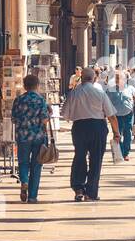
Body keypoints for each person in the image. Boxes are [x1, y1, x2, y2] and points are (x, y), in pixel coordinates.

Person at [62, 67, 121, 201]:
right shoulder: (99, 93)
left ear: (81, 78)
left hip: (79, 127)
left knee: (79, 156)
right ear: (94, 78)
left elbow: (65, 114)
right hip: (97, 127)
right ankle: (91, 192)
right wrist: (116, 133)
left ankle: (78, 189)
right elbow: (111, 115)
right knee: (96, 159)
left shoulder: (74, 93)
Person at [10, 74, 52, 203]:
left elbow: (13, 119)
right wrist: (49, 114)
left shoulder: (18, 100)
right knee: (36, 165)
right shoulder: (41, 100)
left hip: (22, 136)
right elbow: (44, 120)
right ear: (37, 85)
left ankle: (24, 181)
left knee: (23, 162)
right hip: (38, 137)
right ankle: (32, 196)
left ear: (24, 86)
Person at [104, 70, 135, 161]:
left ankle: (126, 153)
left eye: (120, 78)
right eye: (117, 78)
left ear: (125, 79)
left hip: (128, 114)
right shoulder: (110, 89)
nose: (118, 80)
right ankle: (120, 153)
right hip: (116, 116)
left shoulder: (130, 88)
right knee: (117, 134)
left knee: (128, 134)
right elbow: (105, 101)